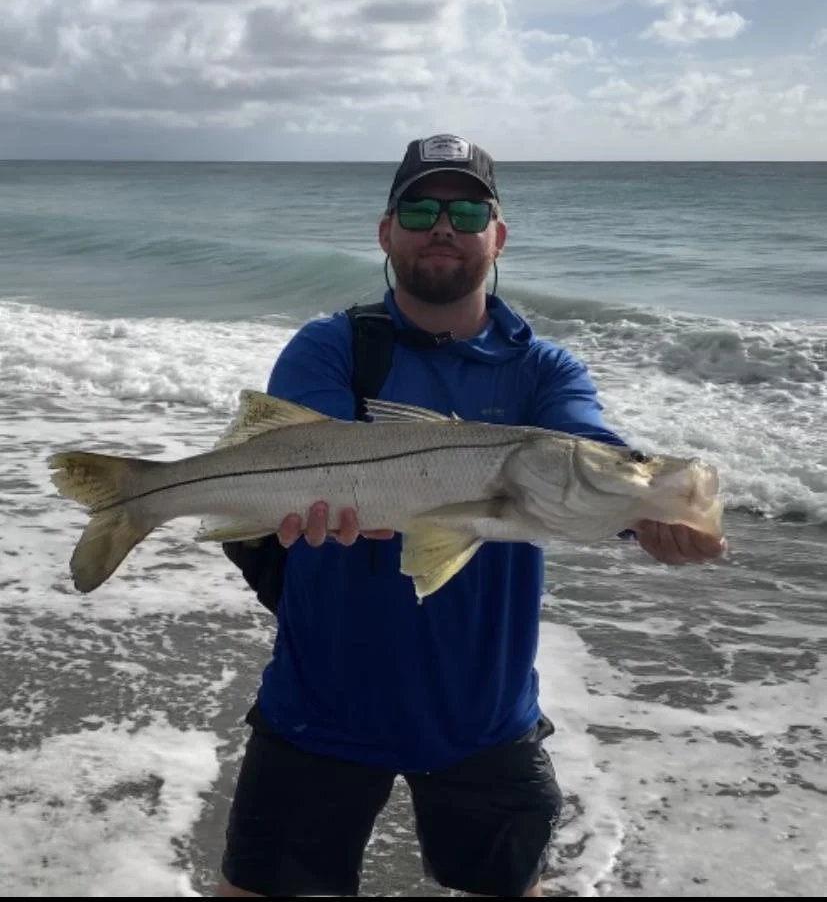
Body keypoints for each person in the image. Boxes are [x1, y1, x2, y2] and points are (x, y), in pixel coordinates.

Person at [217, 134, 725, 898]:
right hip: (319, 705)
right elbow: (303, 456)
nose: (441, 225)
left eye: (466, 209)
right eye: (419, 207)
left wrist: (645, 510)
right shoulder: (331, 347)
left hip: (484, 717)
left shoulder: (544, 369)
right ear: (386, 231)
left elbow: (587, 453)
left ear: (498, 234)